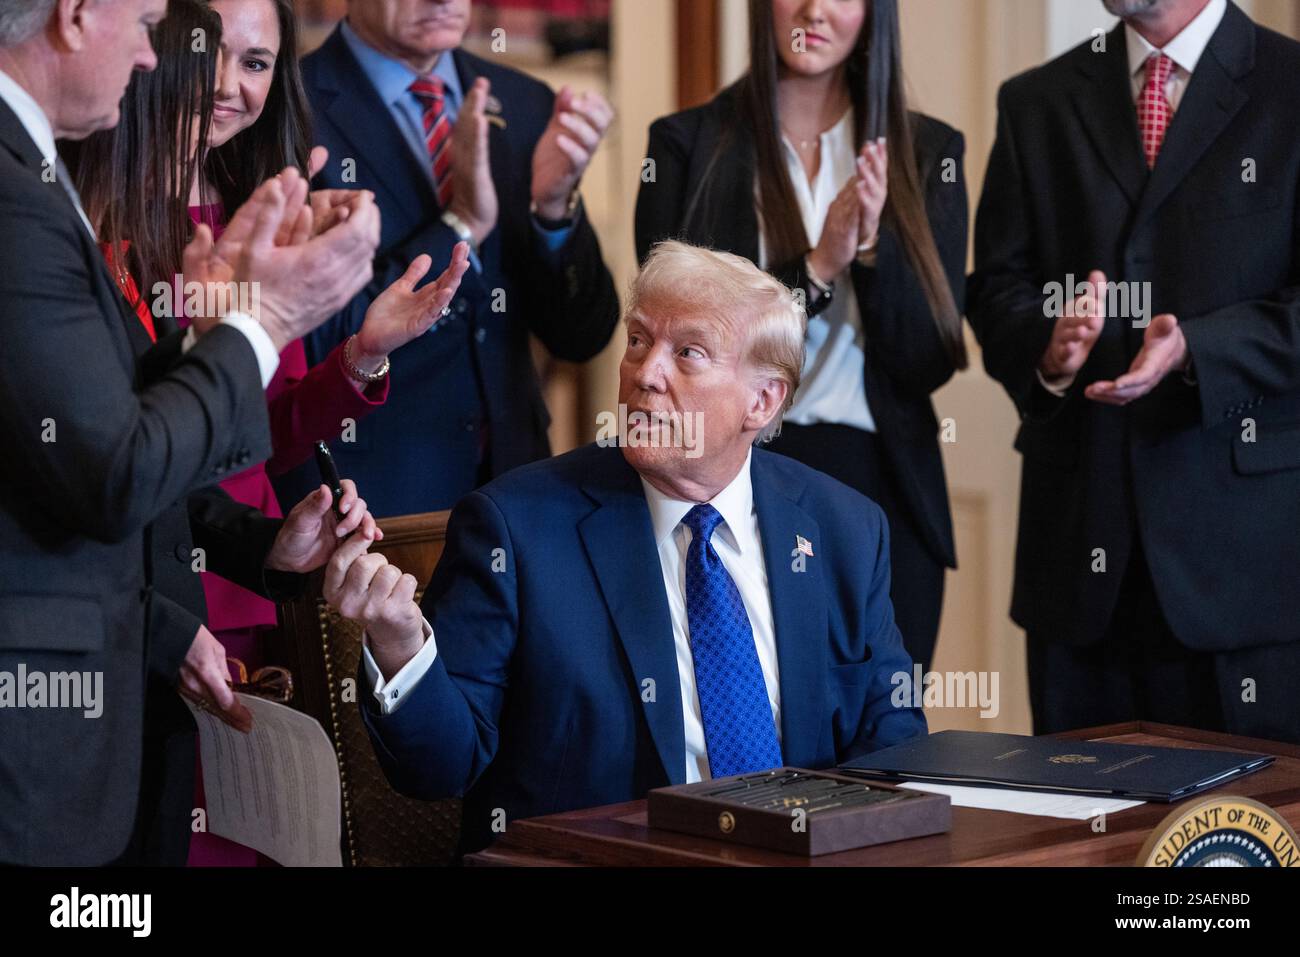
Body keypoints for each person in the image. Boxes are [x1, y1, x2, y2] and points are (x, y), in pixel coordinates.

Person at [326, 241, 927, 855]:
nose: (645, 373)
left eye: (687, 353)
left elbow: (892, 746)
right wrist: (401, 643)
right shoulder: (516, 529)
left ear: (762, 401)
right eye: (638, 341)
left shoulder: (843, 529)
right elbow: (439, 770)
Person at [64, 0, 468, 865]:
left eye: (256, 64)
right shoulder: (84, 213)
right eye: (210, 54)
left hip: (240, 569)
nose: (228, 86)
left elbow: (262, 429)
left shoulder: (257, 206)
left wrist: (362, 354)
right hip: (120, 597)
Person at [0, 0, 380, 866]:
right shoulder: (17, 192)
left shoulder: (34, 170)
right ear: (73, 14)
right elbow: (108, 473)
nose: (148, 58)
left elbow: (107, 435)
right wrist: (257, 321)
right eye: (143, 24)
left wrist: (268, 548)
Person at [967, 0, 1300, 743]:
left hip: (1248, 574)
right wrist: (1046, 348)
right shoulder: (1036, 101)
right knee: (1076, 846)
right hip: (1082, 566)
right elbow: (997, 287)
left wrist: (1199, 349)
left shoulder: (1290, 86)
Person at [635, 0, 968, 673]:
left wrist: (871, 254)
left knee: (880, 742)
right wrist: (819, 265)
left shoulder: (930, 151)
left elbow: (927, 359)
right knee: (747, 726)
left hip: (881, 480)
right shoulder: (684, 144)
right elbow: (680, 329)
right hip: (732, 473)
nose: (814, 10)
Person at [273, 0, 621, 517]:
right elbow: (300, 341)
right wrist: (458, 226)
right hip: (367, 503)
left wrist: (553, 212)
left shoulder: (525, 104)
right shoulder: (286, 109)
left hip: (516, 488)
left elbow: (583, 336)